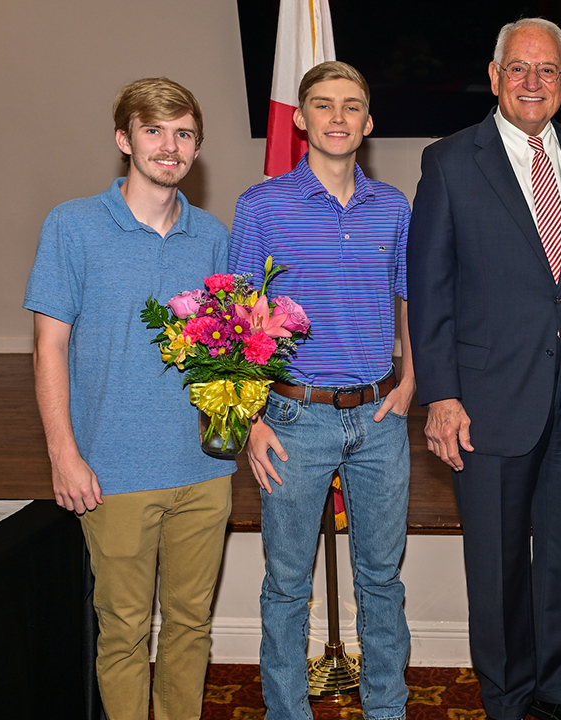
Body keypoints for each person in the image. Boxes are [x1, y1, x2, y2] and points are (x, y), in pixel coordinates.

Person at [407, 17, 561, 720]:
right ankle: (505, 698)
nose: (532, 82)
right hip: (489, 400)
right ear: (495, 75)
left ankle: (559, 686)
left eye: (547, 71)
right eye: (518, 68)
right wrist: (441, 395)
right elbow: (430, 287)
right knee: (498, 565)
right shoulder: (449, 161)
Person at [25, 78, 234, 720]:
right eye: (154, 131)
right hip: (112, 471)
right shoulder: (73, 226)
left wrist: (241, 425)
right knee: (124, 633)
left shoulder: (213, 237)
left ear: (196, 147)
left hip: (204, 469)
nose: (169, 147)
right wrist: (64, 453)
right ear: (125, 139)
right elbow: (47, 347)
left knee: (192, 627)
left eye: (184, 134)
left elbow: (228, 355)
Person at [230, 61, 415, 720]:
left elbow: (406, 299)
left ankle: (386, 709)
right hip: (292, 419)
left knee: (382, 581)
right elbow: (237, 318)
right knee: (285, 585)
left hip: (378, 418)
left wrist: (410, 380)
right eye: (323, 105)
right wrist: (251, 420)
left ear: (368, 123)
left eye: (351, 106)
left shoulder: (393, 206)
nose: (337, 118)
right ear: (300, 119)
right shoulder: (261, 207)